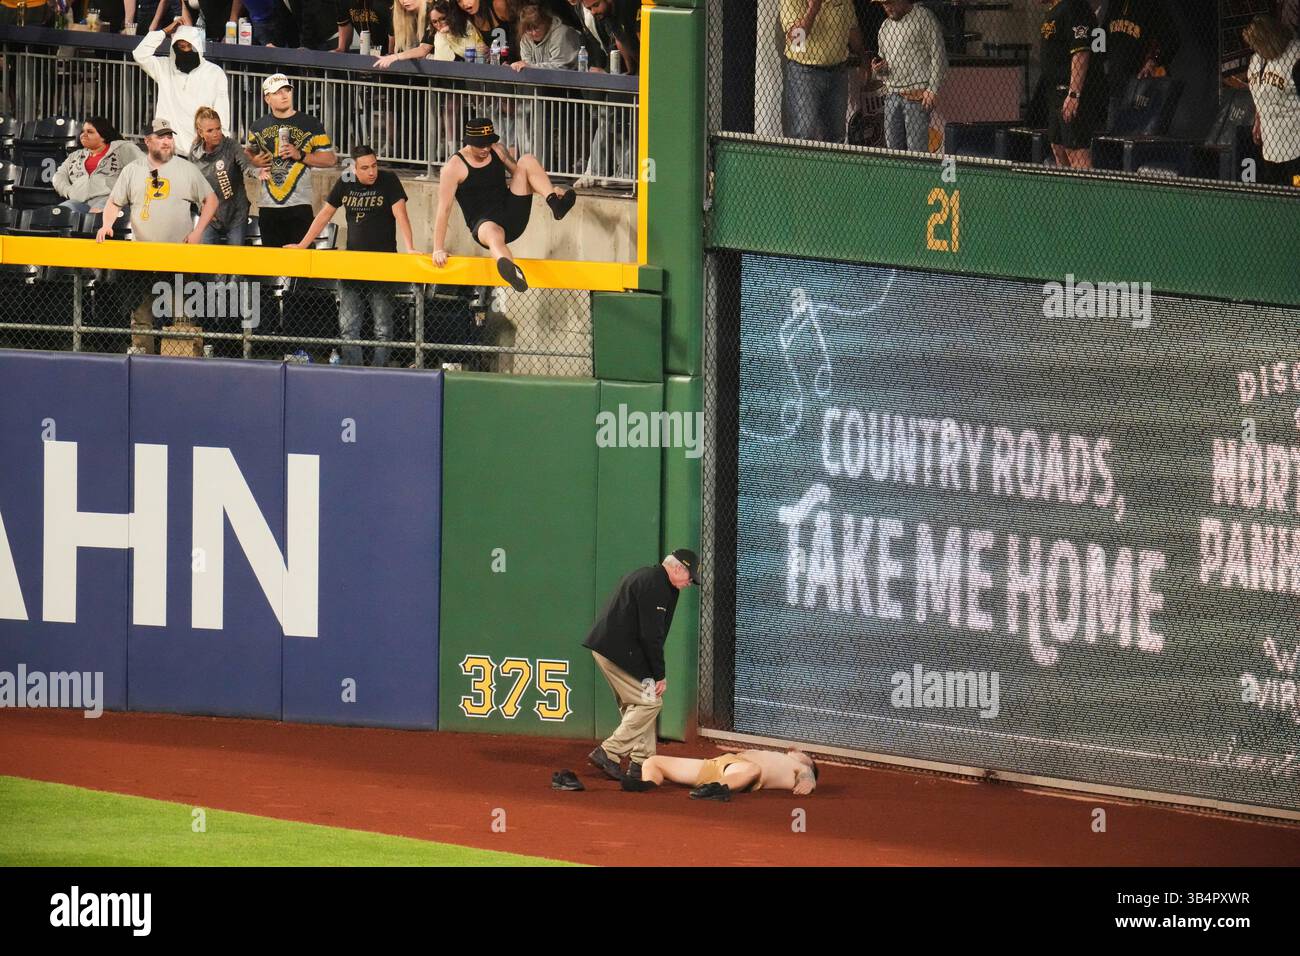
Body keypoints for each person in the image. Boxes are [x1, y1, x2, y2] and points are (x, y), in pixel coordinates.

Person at [95, 118, 218, 353]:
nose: (166, 141)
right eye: (160, 136)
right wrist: (106, 224)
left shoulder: (187, 168)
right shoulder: (133, 170)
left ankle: (181, 369)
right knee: (141, 319)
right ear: (147, 141)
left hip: (178, 257)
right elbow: (113, 202)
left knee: (182, 318)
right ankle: (143, 368)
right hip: (144, 258)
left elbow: (210, 200)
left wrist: (198, 231)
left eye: (169, 136)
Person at [582, 550, 701, 783]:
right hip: (619, 652)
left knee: (640, 703)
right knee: (650, 703)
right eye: (690, 576)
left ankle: (641, 762)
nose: (690, 583)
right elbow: (651, 636)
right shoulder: (655, 584)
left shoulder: (654, 579)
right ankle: (609, 752)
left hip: (619, 650)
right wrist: (659, 675)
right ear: (678, 568)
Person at [291, 146, 417, 367]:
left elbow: (401, 214)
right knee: (348, 328)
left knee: (383, 328)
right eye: (365, 168)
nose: (372, 172)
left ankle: (379, 373)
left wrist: (410, 247)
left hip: (383, 264)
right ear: (354, 168)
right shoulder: (345, 182)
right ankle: (353, 371)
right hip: (352, 266)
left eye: (374, 166)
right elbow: (324, 214)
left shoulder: (388, 180)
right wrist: (303, 244)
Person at [431, 115, 576, 292]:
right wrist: (438, 248)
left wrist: (551, 190)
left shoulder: (497, 150)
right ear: (469, 142)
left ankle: (556, 205)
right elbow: (444, 210)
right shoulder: (453, 168)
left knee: (527, 160)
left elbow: (526, 176)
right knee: (493, 233)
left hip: (511, 212)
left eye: (488, 143)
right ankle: (512, 271)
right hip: (484, 223)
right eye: (481, 145)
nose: (485, 148)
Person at [245, 73, 338, 249]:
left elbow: (330, 159)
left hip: (299, 205)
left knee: (300, 266)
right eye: (277, 92)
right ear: (267, 99)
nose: (284, 95)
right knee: (271, 267)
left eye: (287, 90)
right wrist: (255, 161)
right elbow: (248, 153)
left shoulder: (310, 123)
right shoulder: (257, 126)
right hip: (268, 206)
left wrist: (301, 155)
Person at [132, 17, 231, 148]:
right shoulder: (164, 67)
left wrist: (222, 144)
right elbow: (139, 54)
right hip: (168, 149)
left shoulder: (214, 73)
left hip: (201, 150)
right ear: (174, 47)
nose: (185, 50)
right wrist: (164, 31)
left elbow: (222, 112)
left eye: (189, 46)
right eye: (181, 46)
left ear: (197, 47)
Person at [1038, 0, 1106, 169]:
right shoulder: (1055, 9)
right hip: (1055, 92)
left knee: (1076, 151)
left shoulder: (1074, 7)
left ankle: (1088, 194)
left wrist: (1074, 93)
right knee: (1058, 147)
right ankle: (1068, 194)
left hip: (1073, 92)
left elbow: (1081, 52)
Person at [871, 0, 946, 152]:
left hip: (916, 94)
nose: (887, 7)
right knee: (893, 150)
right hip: (892, 94)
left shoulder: (923, 17)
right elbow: (884, 67)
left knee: (916, 151)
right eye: (883, 4)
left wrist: (932, 90)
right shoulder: (885, 27)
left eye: (889, 2)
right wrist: (879, 69)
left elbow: (938, 55)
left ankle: (919, 175)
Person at [779, 0, 859, 144]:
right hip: (804, 71)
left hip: (837, 70)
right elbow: (797, 40)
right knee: (805, 132)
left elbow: (852, 29)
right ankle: (800, 165)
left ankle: (833, 165)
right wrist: (813, 9)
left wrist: (864, 57)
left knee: (836, 134)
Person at [621, 748, 820, 800]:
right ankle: (648, 784)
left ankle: (718, 789)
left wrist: (809, 782)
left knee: (752, 769)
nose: (799, 751)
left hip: (744, 772)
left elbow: (807, 776)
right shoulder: (778, 755)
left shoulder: (799, 765)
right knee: (654, 762)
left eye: (806, 755)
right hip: (720, 764)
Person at [1102, 0, 1180, 130]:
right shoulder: (1115, 4)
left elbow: (1172, 39)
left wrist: (1152, 61)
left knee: (1139, 139)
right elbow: (1103, 38)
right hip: (1115, 86)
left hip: (1142, 89)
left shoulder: (1151, 5)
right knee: (1114, 138)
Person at [1245, 14, 1300, 187]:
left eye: (1259, 44)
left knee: (1296, 189)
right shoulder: (1256, 61)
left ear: (1271, 39)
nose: (1257, 49)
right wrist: (1258, 119)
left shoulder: (1295, 56)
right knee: (1275, 195)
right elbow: (1259, 94)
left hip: (1296, 144)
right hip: (1271, 145)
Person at [189, 106, 257, 245]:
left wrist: (257, 172)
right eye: (210, 130)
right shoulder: (195, 154)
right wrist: (201, 206)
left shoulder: (231, 146)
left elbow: (246, 166)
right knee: (206, 260)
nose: (216, 133)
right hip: (210, 217)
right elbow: (193, 185)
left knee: (234, 261)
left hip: (236, 216)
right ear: (200, 132)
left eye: (218, 128)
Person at [53, 118, 144, 219]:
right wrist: (68, 191)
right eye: (83, 131)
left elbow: (142, 169)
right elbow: (59, 176)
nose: (84, 134)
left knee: (94, 216)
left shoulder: (123, 148)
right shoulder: (75, 156)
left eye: (90, 132)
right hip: (78, 200)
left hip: (110, 199)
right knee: (61, 214)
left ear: (103, 136)